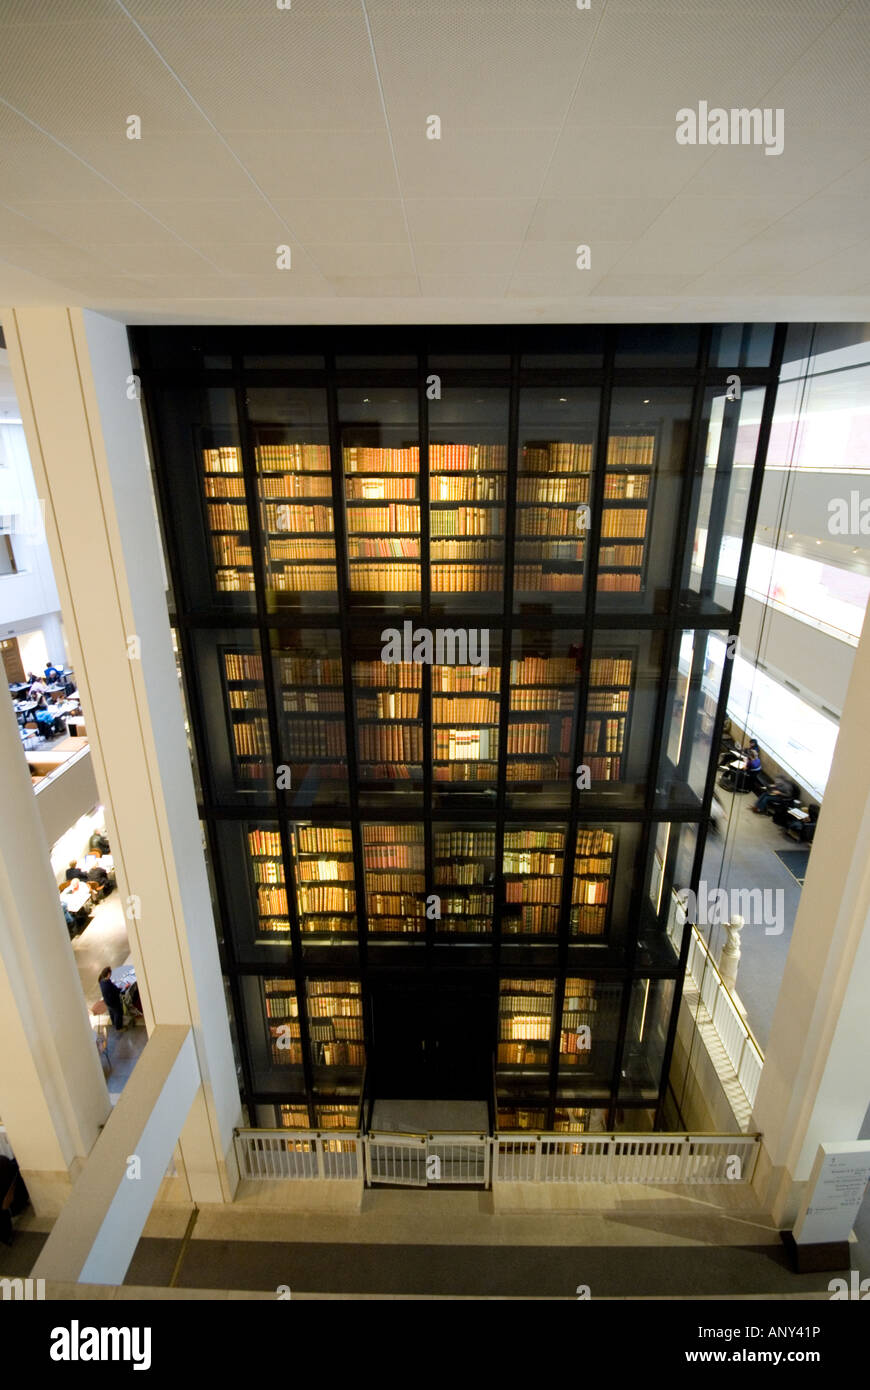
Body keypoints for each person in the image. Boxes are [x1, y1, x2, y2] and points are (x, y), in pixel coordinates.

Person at [98, 966, 125, 1031]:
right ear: (108, 974)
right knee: (118, 1013)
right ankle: (119, 1027)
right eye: (110, 973)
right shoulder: (107, 984)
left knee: (112, 1012)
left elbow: (111, 988)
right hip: (114, 1002)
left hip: (108, 1001)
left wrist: (112, 984)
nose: (111, 975)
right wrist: (123, 987)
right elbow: (116, 991)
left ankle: (114, 1023)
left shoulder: (102, 980)